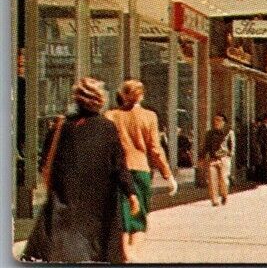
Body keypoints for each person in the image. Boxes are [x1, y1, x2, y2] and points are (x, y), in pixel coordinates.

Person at [21, 78, 136, 264]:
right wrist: (131, 192)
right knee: (95, 252)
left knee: (65, 250)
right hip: (99, 203)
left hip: (66, 199)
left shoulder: (62, 126)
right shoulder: (107, 127)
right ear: (100, 100)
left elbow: (46, 161)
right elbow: (119, 164)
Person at [103, 80, 178, 252]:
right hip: (141, 169)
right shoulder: (150, 116)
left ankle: (124, 255)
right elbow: (155, 149)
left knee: (122, 218)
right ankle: (133, 255)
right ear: (142, 96)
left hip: (117, 171)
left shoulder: (110, 115)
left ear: (122, 95)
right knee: (138, 218)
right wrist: (168, 175)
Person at [199, 115, 235, 206]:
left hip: (224, 158)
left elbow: (232, 145)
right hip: (213, 159)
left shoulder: (229, 132)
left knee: (223, 179)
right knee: (212, 179)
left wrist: (229, 155)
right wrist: (202, 157)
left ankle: (224, 194)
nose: (216, 122)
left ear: (223, 122)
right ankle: (214, 200)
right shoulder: (210, 133)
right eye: (215, 120)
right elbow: (205, 147)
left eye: (219, 120)